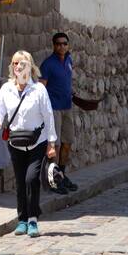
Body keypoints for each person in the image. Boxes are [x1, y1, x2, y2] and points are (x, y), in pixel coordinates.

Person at [0, 50, 56, 237]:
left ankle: (33, 219)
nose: (17, 66)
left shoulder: (38, 90)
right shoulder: (6, 88)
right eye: (15, 63)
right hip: (16, 142)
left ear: (30, 66)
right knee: (20, 181)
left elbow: (48, 116)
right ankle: (22, 220)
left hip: (37, 142)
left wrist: (51, 142)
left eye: (22, 63)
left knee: (31, 179)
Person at [38, 32, 79, 192]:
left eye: (64, 43)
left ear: (68, 45)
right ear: (54, 46)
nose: (62, 46)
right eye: (58, 44)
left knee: (67, 143)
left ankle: (61, 174)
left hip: (67, 107)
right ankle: (53, 179)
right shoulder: (48, 64)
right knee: (54, 145)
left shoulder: (69, 60)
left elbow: (66, 81)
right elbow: (41, 88)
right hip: (53, 109)